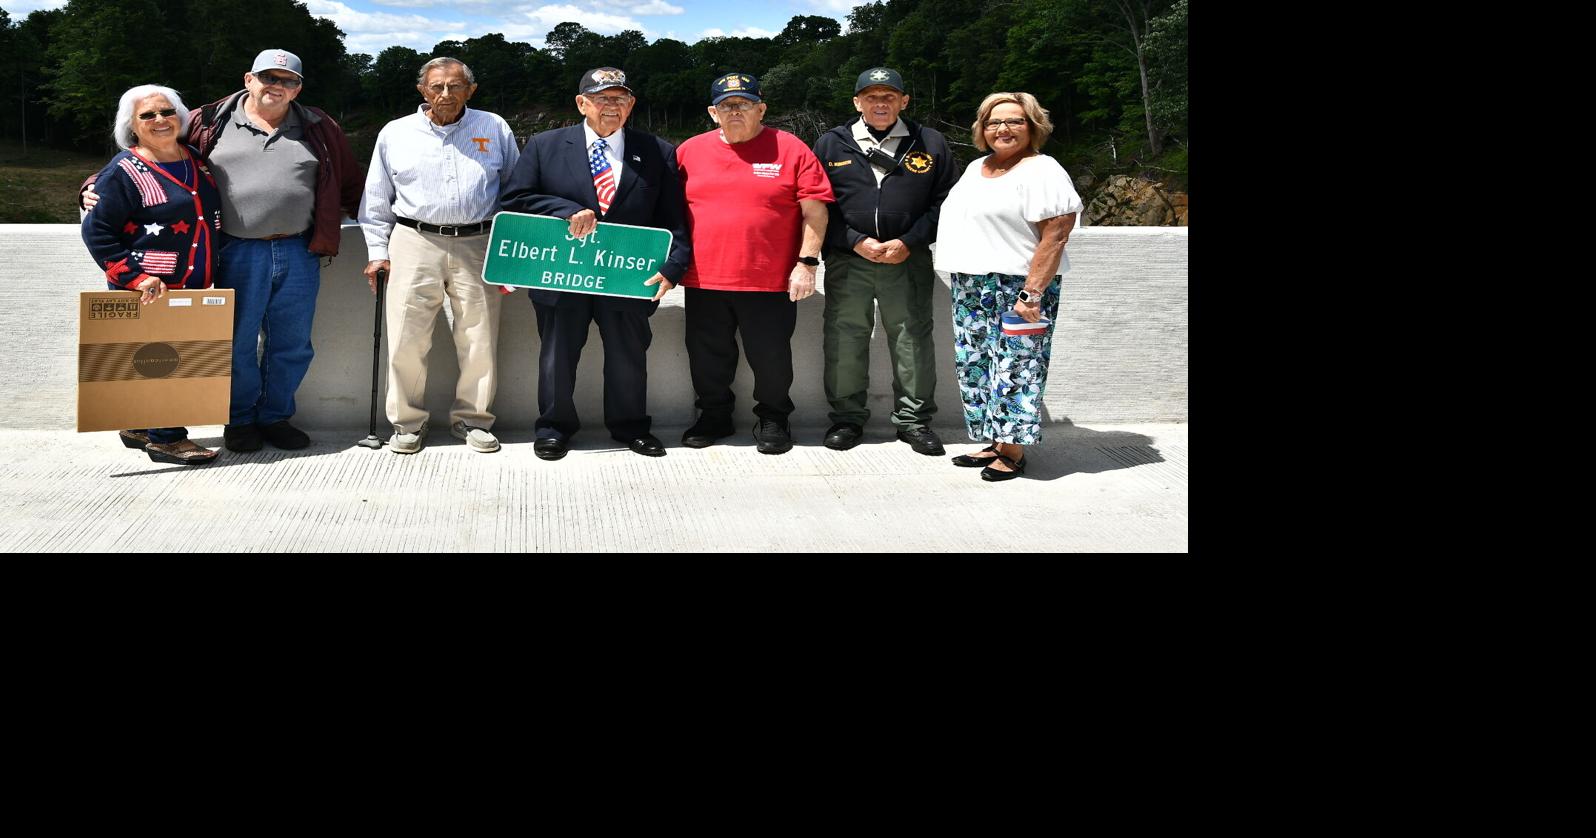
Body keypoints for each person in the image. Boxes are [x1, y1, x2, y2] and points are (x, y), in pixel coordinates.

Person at [80, 49, 362, 453]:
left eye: (287, 80)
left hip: (300, 250)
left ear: (298, 88)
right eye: (268, 77)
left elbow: (351, 181)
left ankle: (275, 416)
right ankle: (241, 419)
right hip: (236, 251)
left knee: (293, 342)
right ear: (249, 79)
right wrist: (91, 185)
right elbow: (148, 154)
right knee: (237, 342)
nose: (276, 86)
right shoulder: (208, 119)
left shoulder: (319, 126)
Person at [498, 67, 691, 460]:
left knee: (629, 356)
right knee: (557, 355)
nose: (611, 106)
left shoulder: (657, 150)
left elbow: (675, 219)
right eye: (602, 98)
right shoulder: (544, 144)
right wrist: (567, 210)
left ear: (631, 104)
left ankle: (631, 427)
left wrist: (674, 268)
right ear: (582, 103)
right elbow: (515, 201)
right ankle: (553, 429)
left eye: (620, 98)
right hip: (561, 273)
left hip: (627, 275)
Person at [359, 58, 520, 455]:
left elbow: (515, 190)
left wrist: (511, 250)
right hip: (414, 240)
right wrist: (377, 251)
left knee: (479, 336)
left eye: (454, 86)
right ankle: (408, 423)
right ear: (422, 90)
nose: (445, 95)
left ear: (471, 89)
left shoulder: (494, 126)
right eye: (436, 87)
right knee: (406, 338)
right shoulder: (395, 133)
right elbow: (376, 199)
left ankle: (473, 419)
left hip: (479, 240)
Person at [674, 72, 833, 454]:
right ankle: (714, 416)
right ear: (713, 112)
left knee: (772, 357)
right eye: (726, 106)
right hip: (703, 278)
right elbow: (668, 211)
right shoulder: (689, 151)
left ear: (761, 109)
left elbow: (815, 212)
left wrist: (807, 263)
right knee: (707, 357)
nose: (735, 112)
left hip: (771, 279)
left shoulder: (791, 148)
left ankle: (774, 417)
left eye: (744, 104)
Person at [933, 92, 1083, 481]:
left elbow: (1056, 234)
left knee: (1018, 366)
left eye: (1015, 121)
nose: (1003, 129)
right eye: (993, 122)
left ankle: (1013, 451)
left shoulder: (1043, 170)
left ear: (1033, 126)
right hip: (971, 284)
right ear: (982, 129)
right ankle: (995, 441)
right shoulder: (976, 167)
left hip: (1017, 285)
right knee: (978, 365)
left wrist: (1031, 293)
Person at [811, 67, 956, 456]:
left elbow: (946, 202)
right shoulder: (831, 144)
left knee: (912, 340)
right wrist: (854, 240)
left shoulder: (930, 142)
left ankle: (914, 421)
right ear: (857, 102)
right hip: (848, 259)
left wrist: (910, 241)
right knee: (844, 339)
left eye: (889, 96)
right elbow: (818, 205)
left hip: (907, 259)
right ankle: (846, 419)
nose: (880, 103)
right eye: (872, 96)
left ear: (904, 101)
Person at [81, 84, 224, 465]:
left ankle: (142, 425)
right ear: (132, 124)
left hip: (190, 282)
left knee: (170, 357)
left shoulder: (195, 158)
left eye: (166, 112)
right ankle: (168, 440)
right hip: (149, 285)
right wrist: (134, 276)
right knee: (164, 360)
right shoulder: (123, 170)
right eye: (148, 115)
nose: (159, 120)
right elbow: (97, 231)